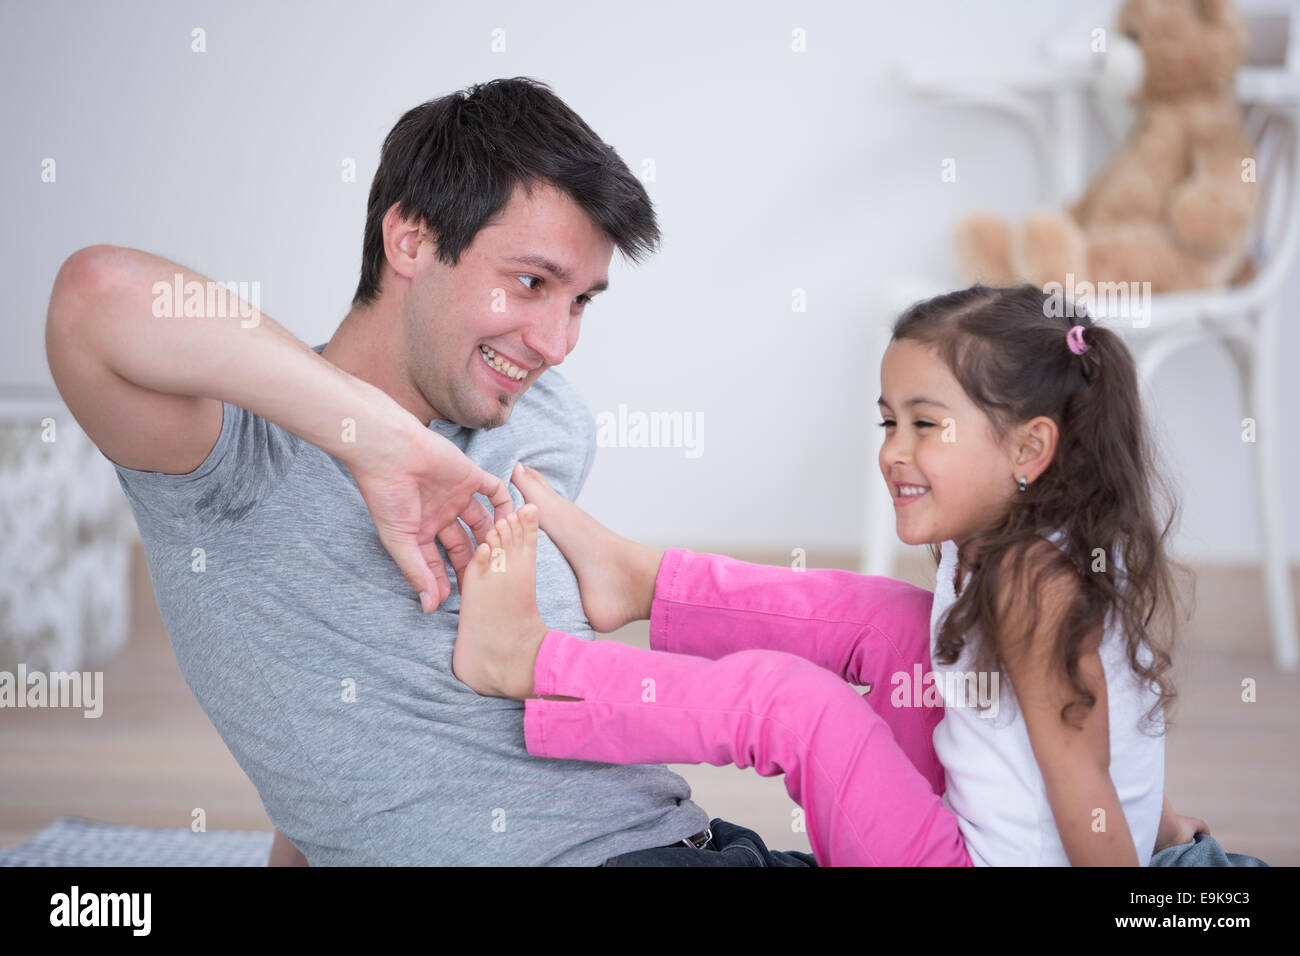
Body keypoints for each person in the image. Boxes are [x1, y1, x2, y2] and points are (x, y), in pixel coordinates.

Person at [45, 77, 814, 866]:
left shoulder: (547, 424)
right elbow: (94, 297)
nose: (556, 344)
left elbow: (373, 733)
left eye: (581, 301)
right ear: (410, 240)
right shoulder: (235, 455)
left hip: (700, 843)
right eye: (531, 283)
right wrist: (379, 442)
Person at [453, 283, 1213, 866]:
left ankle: (534, 664)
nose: (893, 451)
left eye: (926, 424)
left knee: (797, 707)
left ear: (1028, 449)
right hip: (964, 833)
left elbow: (1085, 779)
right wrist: (1170, 829)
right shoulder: (1000, 540)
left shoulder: (1034, 585)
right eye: (890, 421)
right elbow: (1105, 739)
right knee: (895, 623)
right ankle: (639, 580)